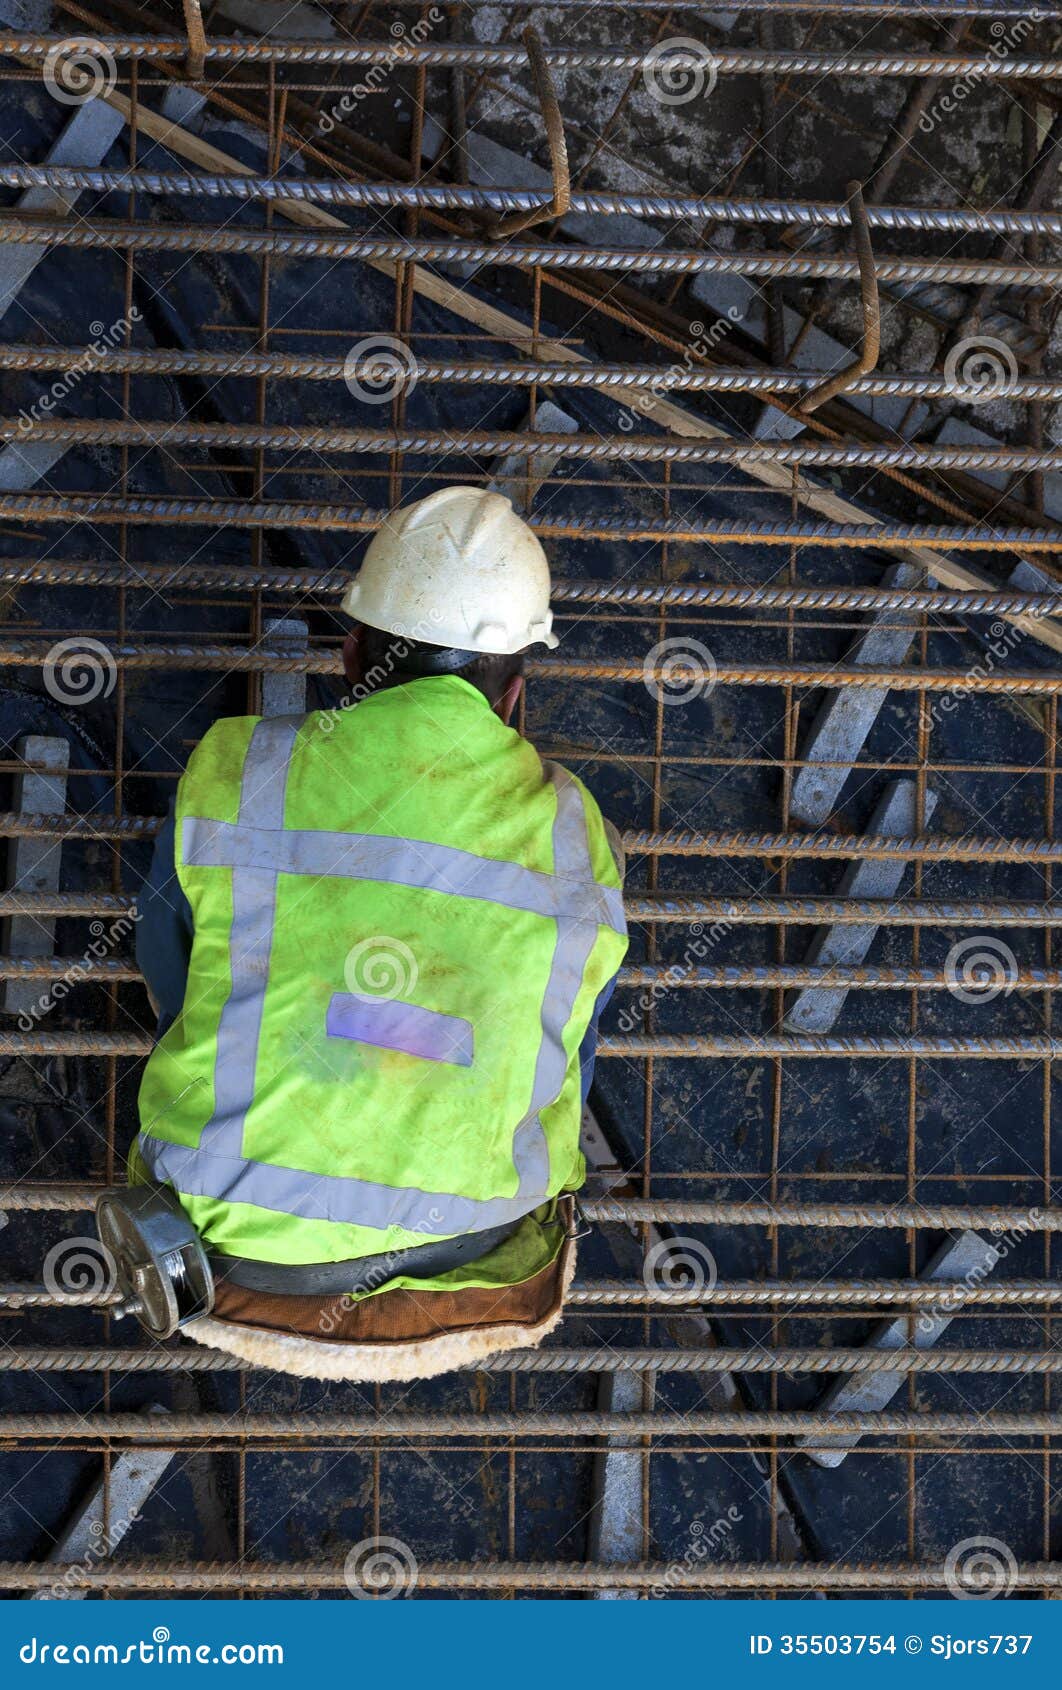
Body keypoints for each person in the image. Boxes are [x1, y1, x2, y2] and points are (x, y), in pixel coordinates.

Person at [132, 487, 628, 1380]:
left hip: (232, 1252)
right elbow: (571, 1042)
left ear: (350, 651)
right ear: (514, 696)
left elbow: (170, 971)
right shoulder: (572, 831)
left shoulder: (237, 768)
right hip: (478, 1255)